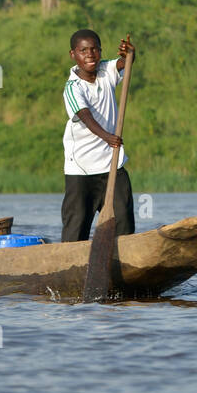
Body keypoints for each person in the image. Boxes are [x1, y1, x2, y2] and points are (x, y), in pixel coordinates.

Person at [60, 30, 137, 243]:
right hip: (82, 169)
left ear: (100, 51)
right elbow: (84, 116)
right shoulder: (73, 88)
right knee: (76, 228)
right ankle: (70, 267)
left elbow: (125, 63)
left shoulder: (106, 70)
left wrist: (130, 54)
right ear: (73, 55)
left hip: (112, 163)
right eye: (83, 50)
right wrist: (107, 137)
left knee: (123, 223)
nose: (90, 55)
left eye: (94, 49)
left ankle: (123, 262)